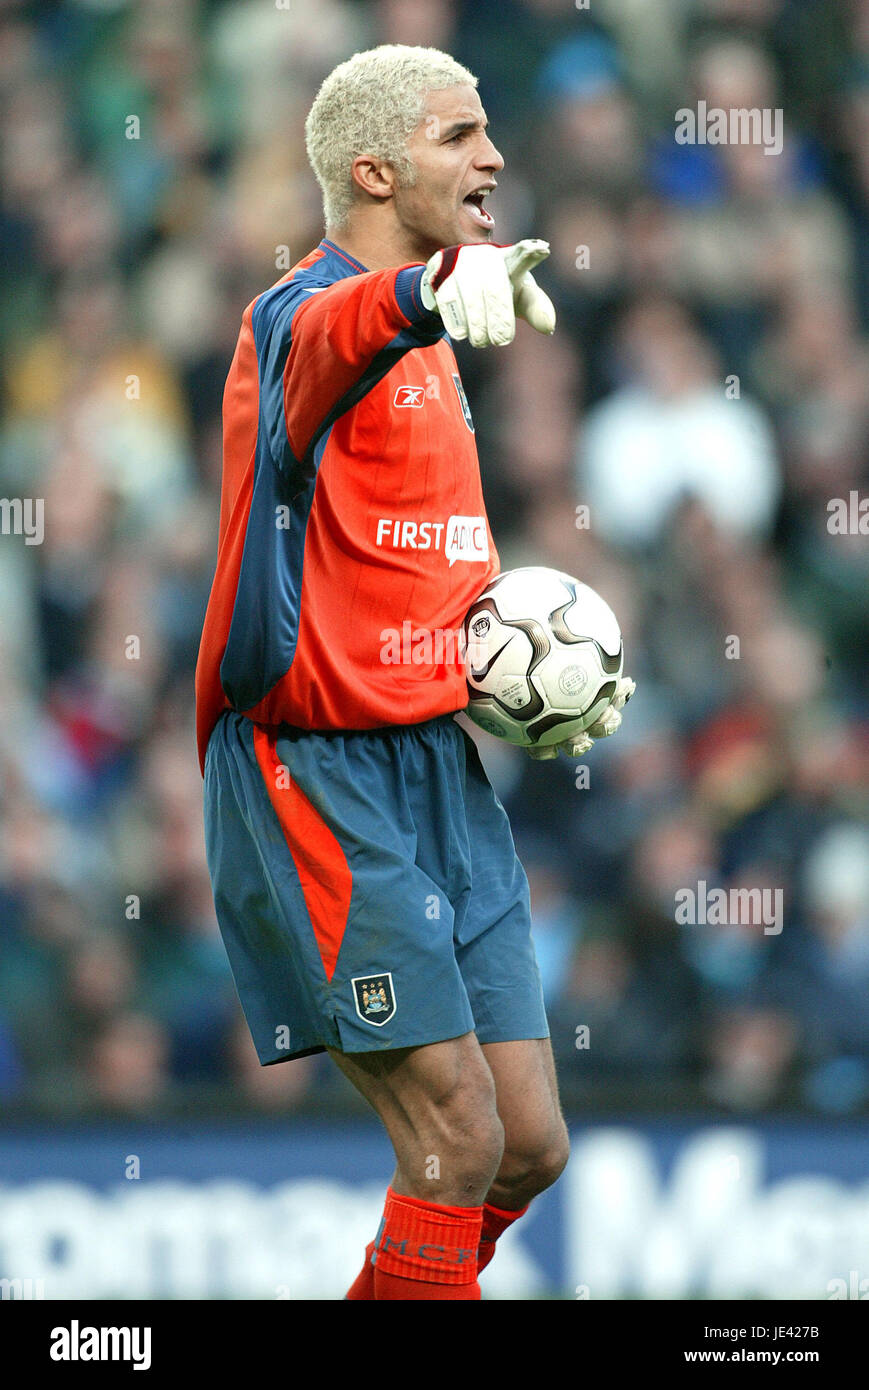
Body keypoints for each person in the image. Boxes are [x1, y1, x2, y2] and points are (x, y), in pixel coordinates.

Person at [195, 44, 633, 1301]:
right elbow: (325, 326)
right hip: (315, 772)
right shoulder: (301, 322)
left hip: (435, 762)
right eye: (460, 136)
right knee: (453, 1144)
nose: (494, 157)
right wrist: (422, 292)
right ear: (375, 169)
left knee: (524, 1148)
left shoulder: (433, 333)